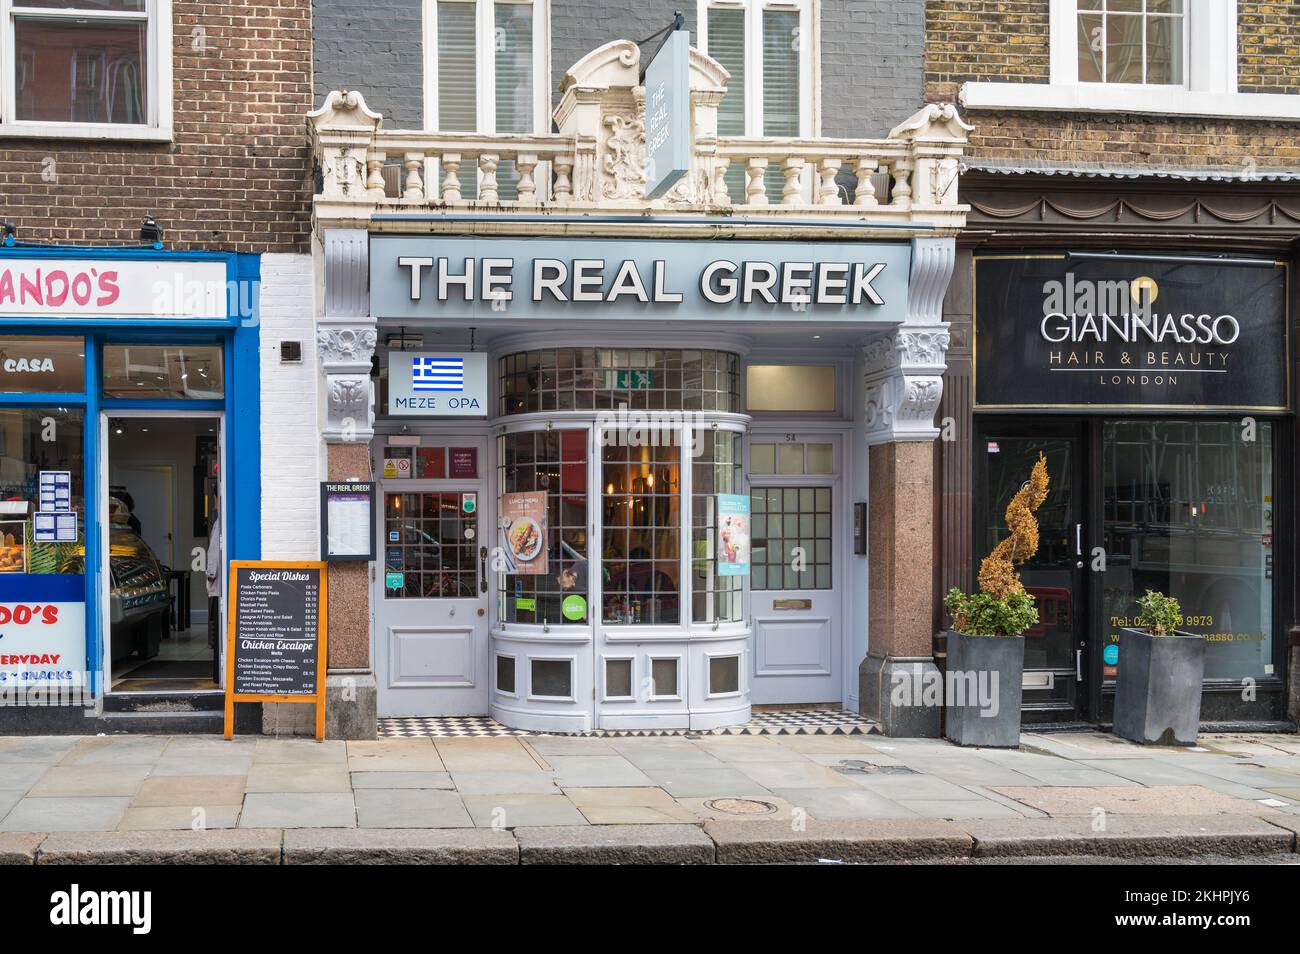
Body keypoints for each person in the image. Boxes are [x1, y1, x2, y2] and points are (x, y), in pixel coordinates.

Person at [205, 506, 221, 683]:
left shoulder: (219, 522)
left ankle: (218, 675)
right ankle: (218, 674)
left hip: (219, 587)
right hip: (221, 585)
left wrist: (210, 574)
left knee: (218, 630)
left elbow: (214, 549)